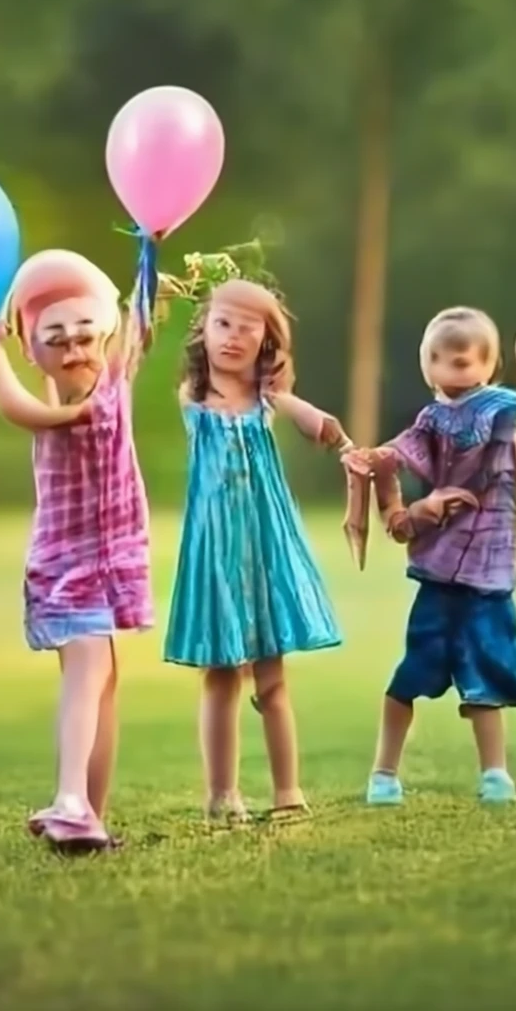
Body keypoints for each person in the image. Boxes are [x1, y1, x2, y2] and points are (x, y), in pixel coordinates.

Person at [0, 249, 153, 852]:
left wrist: (148, 257)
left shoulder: (109, 385)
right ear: (34, 350)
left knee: (103, 681)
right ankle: (71, 801)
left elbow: (136, 329)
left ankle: (89, 813)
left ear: (105, 335)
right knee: (89, 673)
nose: (73, 348)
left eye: (85, 336)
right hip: (73, 573)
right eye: (56, 340)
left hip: (98, 569)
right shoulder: (85, 409)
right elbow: (20, 409)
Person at [163, 270, 350, 823]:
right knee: (221, 677)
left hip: (265, 550)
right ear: (203, 332)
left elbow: (321, 426)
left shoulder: (269, 402)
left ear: (267, 342)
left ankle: (286, 791)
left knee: (272, 678)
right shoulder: (193, 398)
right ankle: (223, 794)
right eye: (223, 323)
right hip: (216, 552)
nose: (233, 338)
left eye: (249, 329)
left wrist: (336, 440)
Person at [344, 307, 516, 806]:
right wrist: (376, 465)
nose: (449, 371)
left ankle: (495, 774)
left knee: (486, 678)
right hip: (440, 571)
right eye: (438, 360)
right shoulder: (432, 417)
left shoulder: (503, 409)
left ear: (488, 365)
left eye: (462, 361)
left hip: (487, 574)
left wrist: (439, 498)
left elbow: (492, 462)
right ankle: (384, 773)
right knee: (410, 674)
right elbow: (401, 452)